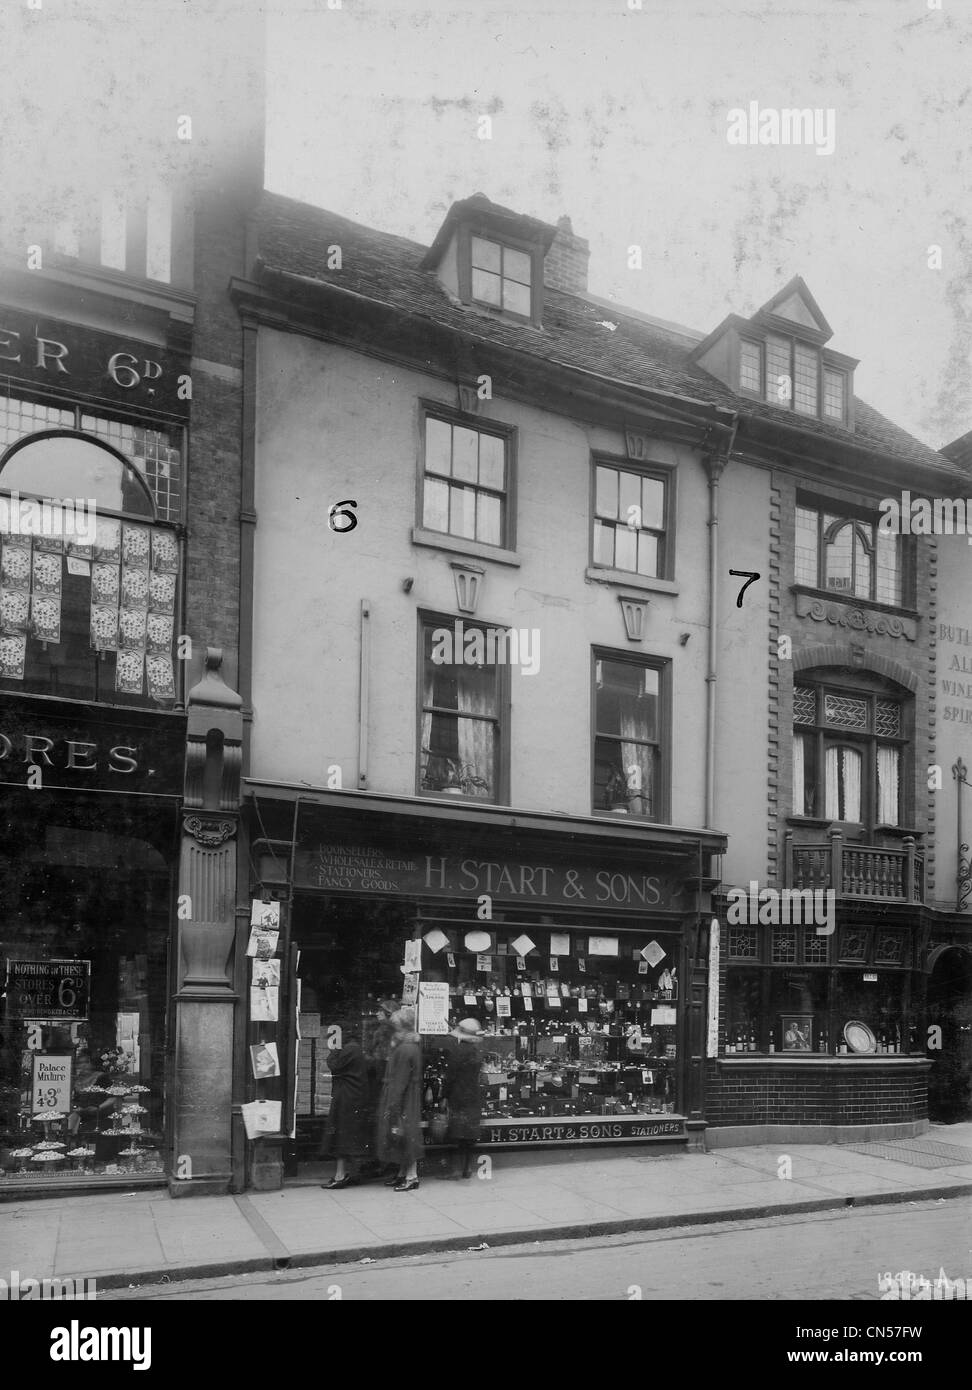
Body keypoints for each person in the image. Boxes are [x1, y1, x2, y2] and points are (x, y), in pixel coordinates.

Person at [376, 1007, 423, 1191]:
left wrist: (392, 1104)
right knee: (404, 1134)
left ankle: (411, 1176)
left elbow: (400, 1081)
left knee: (405, 1135)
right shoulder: (412, 1047)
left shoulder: (404, 1049)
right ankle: (403, 1173)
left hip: (403, 1099)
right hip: (409, 1097)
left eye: (396, 1028)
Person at [320, 1023, 368, 1190]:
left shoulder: (349, 1049)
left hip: (346, 1099)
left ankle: (341, 1175)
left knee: (342, 1136)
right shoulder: (355, 1049)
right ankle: (347, 1173)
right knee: (347, 1137)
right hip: (350, 1097)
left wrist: (333, 1052)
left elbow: (333, 1065)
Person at [441, 1017, 483, 1179]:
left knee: (458, 1131)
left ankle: (454, 1168)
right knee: (469, 1133)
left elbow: (450, 1076)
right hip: (473, 1094)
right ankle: (467, 1166)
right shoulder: (476, 1051)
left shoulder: (458, 1052)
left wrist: (444, 1096)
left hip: (458, 1094)